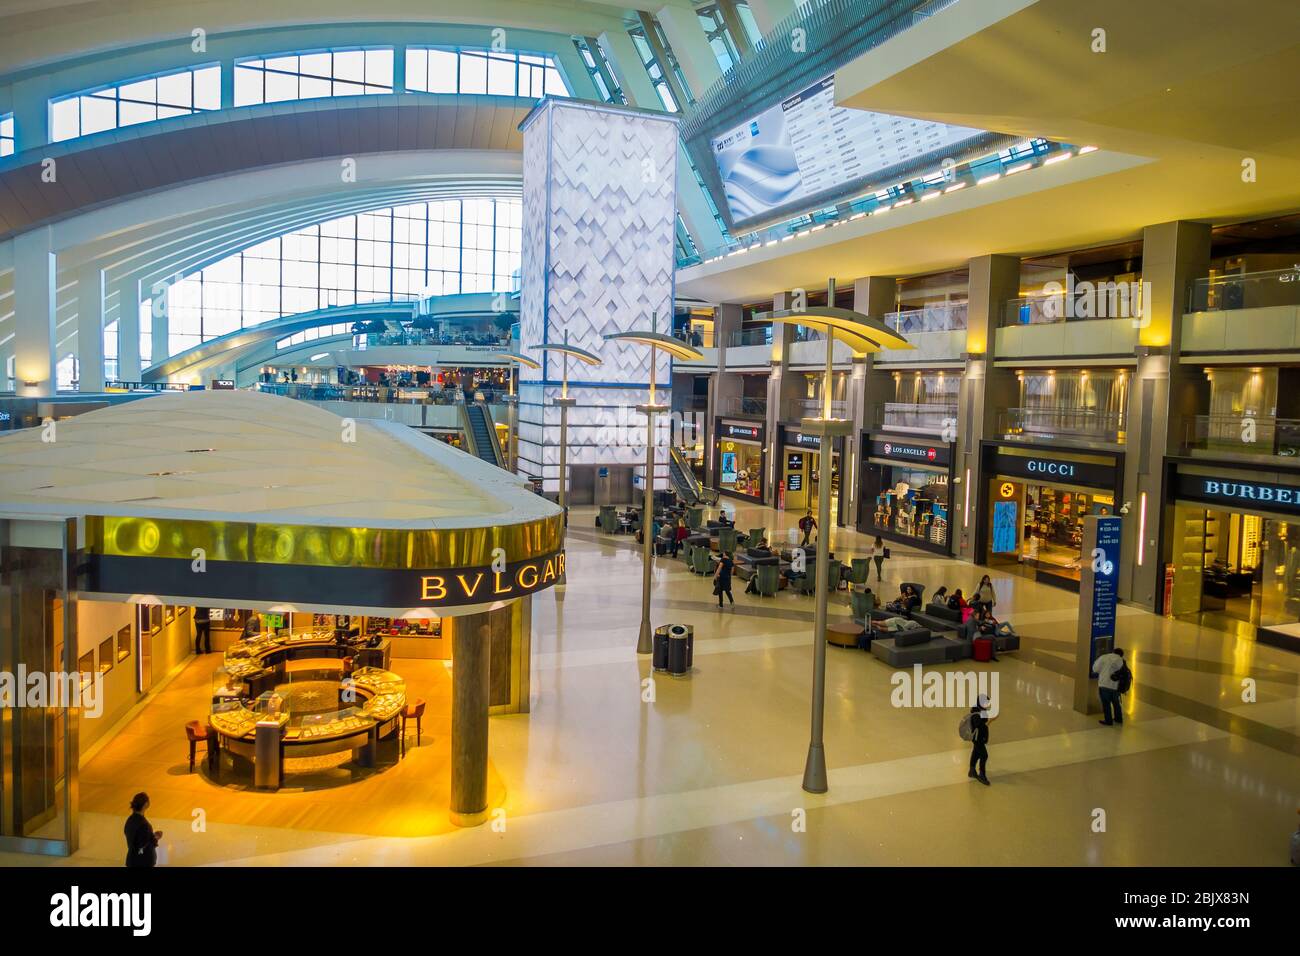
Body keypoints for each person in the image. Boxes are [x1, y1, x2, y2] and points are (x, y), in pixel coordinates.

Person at [124, 792, 162, 868]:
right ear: (146, 804)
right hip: (142, 863)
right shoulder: (143, 824)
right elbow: (143, 847)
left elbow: (138, 842)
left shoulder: (129, 820)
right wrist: (155, 838)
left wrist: (152, 837)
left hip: (132, 861)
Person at [1093, 647, 1128, 726]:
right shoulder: (1121, 661)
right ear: (1121, 655)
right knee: (1116, 703)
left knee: (1106, 703)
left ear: (1113, 652)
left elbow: (1095, 669)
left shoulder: (1104, 657)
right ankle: (1118, 719)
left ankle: (1108, 721)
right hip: (1115, 686)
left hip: (1104, 684)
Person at [968, 693, 995, 786]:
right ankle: (982, 774)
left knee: (976, 753)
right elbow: (980, 726)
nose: (987, 704)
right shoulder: (976, 713)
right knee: (984, 755)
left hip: (979, 738)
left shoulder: (981, 710)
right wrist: (991, 720)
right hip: (977, 738)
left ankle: (971, 771)